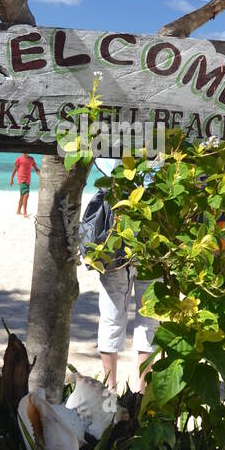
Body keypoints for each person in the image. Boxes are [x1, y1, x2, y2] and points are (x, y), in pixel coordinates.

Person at [93, 156, 157, 393]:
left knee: (112, 318)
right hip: (152, 242)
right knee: (148, 321)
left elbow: (102, 166)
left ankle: (111, 391)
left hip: (115, 241)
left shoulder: (109, 149)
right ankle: (140, 392)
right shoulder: (161, 149)